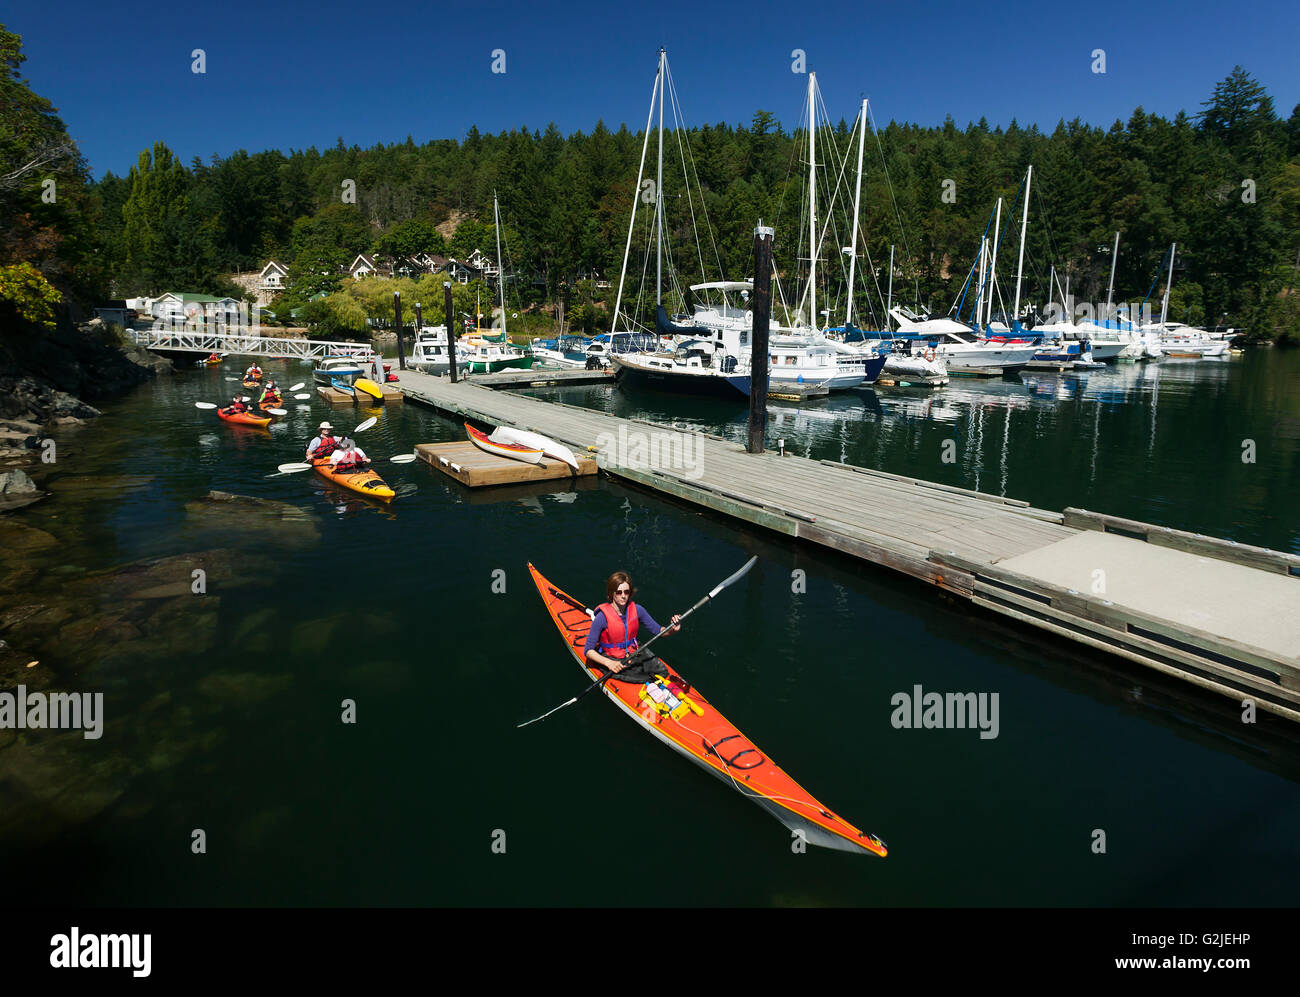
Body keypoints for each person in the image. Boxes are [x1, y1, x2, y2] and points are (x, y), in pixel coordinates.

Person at [584, 571, 681, 681]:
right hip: (611, 657)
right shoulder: (602, 618)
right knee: (641, 677)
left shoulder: (638, 610)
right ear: (611, 593)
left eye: (626, 592)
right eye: (619, 592)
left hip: (633, 653)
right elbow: (588, 651)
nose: (623, 596)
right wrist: (609, 663)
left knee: (662, 671)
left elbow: (659, 631)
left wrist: (673, 629)